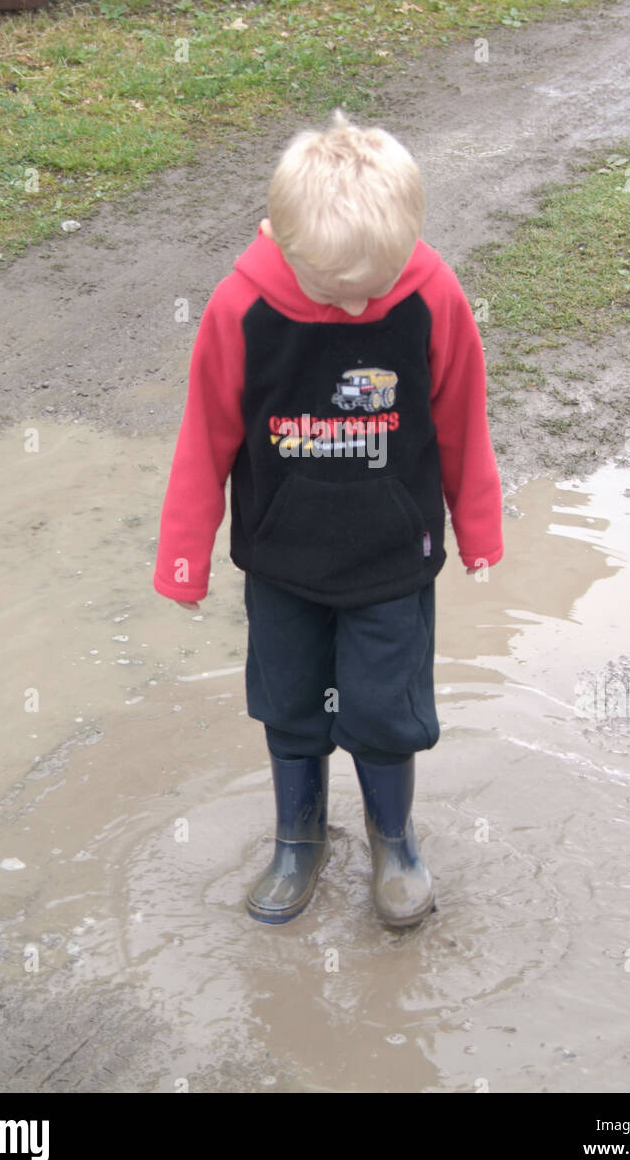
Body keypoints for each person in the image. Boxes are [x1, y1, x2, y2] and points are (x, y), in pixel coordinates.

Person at [153, 108, 503, 929]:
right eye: (332, 291)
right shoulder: (241, 307)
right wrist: (184, 556)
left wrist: (478, 528)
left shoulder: (433, 296)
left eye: (372, 289)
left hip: (391, 558)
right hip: (283, 564)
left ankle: (396, 842)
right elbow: (205, 436)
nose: (355, 307)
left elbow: (462, 421)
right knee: (291, 706)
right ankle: (297, 840)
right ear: (279, 237)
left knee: (386, 711)